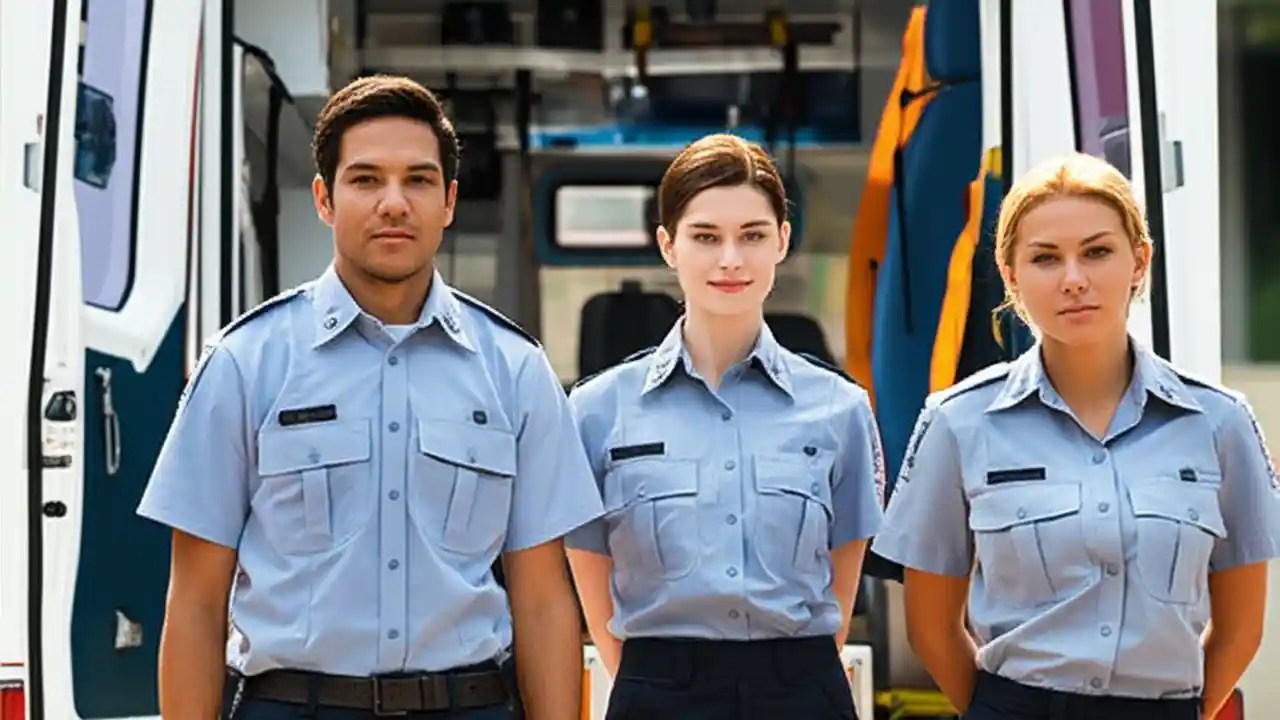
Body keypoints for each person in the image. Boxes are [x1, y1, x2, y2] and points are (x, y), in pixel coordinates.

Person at [137, 74, 604, 719]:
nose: (394, 202)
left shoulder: (514, 371)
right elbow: (193, 600)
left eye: (418, 179)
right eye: (366, 180)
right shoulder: (245, 364)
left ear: (449, 202)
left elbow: (544, 600)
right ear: (325, 199)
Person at [870, 152, 1280, 720]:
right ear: (1010, 274)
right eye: (1045, 258)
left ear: (1140, 262)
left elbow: (1240, 630)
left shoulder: (1220, 423)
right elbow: (931, 629)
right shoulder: (957, 423)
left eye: (1097, 252)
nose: (1074, 280)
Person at [564, 133, 885, 720]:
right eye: (706, 237)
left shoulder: (840, 410)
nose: (731, 259)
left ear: (783, 241)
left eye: (753, 236)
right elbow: (592, 586)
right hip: (657, 693)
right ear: (668, 245)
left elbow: (840, 587)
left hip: (803, 691)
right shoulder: (596, 411)